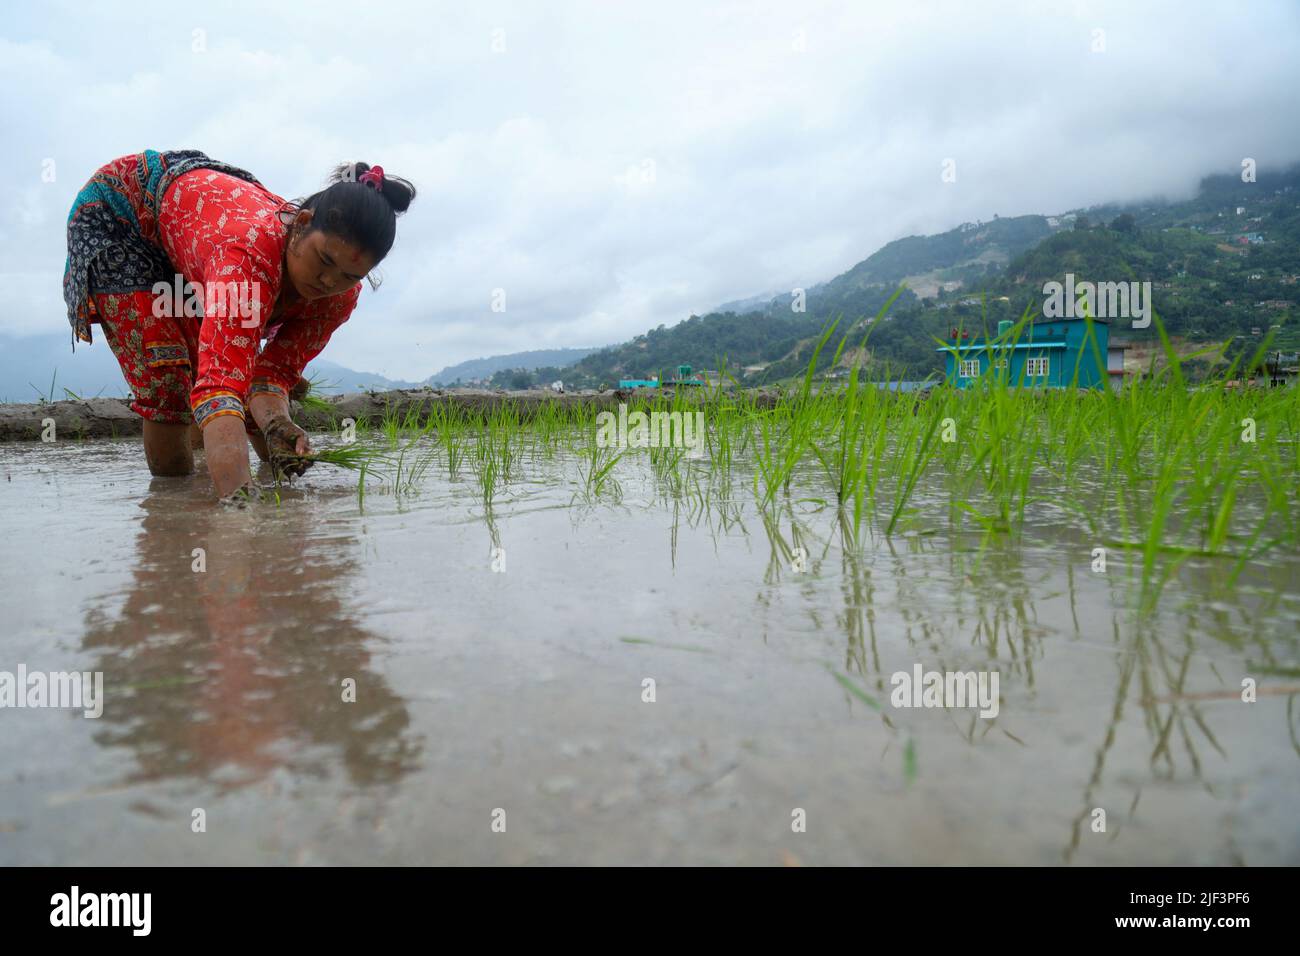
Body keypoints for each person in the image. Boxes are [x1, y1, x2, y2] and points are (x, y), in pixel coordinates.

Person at [62, 149, 415, 500]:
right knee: (168, 376)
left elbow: (270, 375)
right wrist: (241, 514)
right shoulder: (245, 263)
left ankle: (207, 479)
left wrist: (278, 425)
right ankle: (174, 506)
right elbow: (220, 387)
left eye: (349, 275)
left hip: (201, 225)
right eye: (323, 260)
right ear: (302, 225)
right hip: (126, 215)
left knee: (222, 364)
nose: (328, 281)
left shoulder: (339, 297)